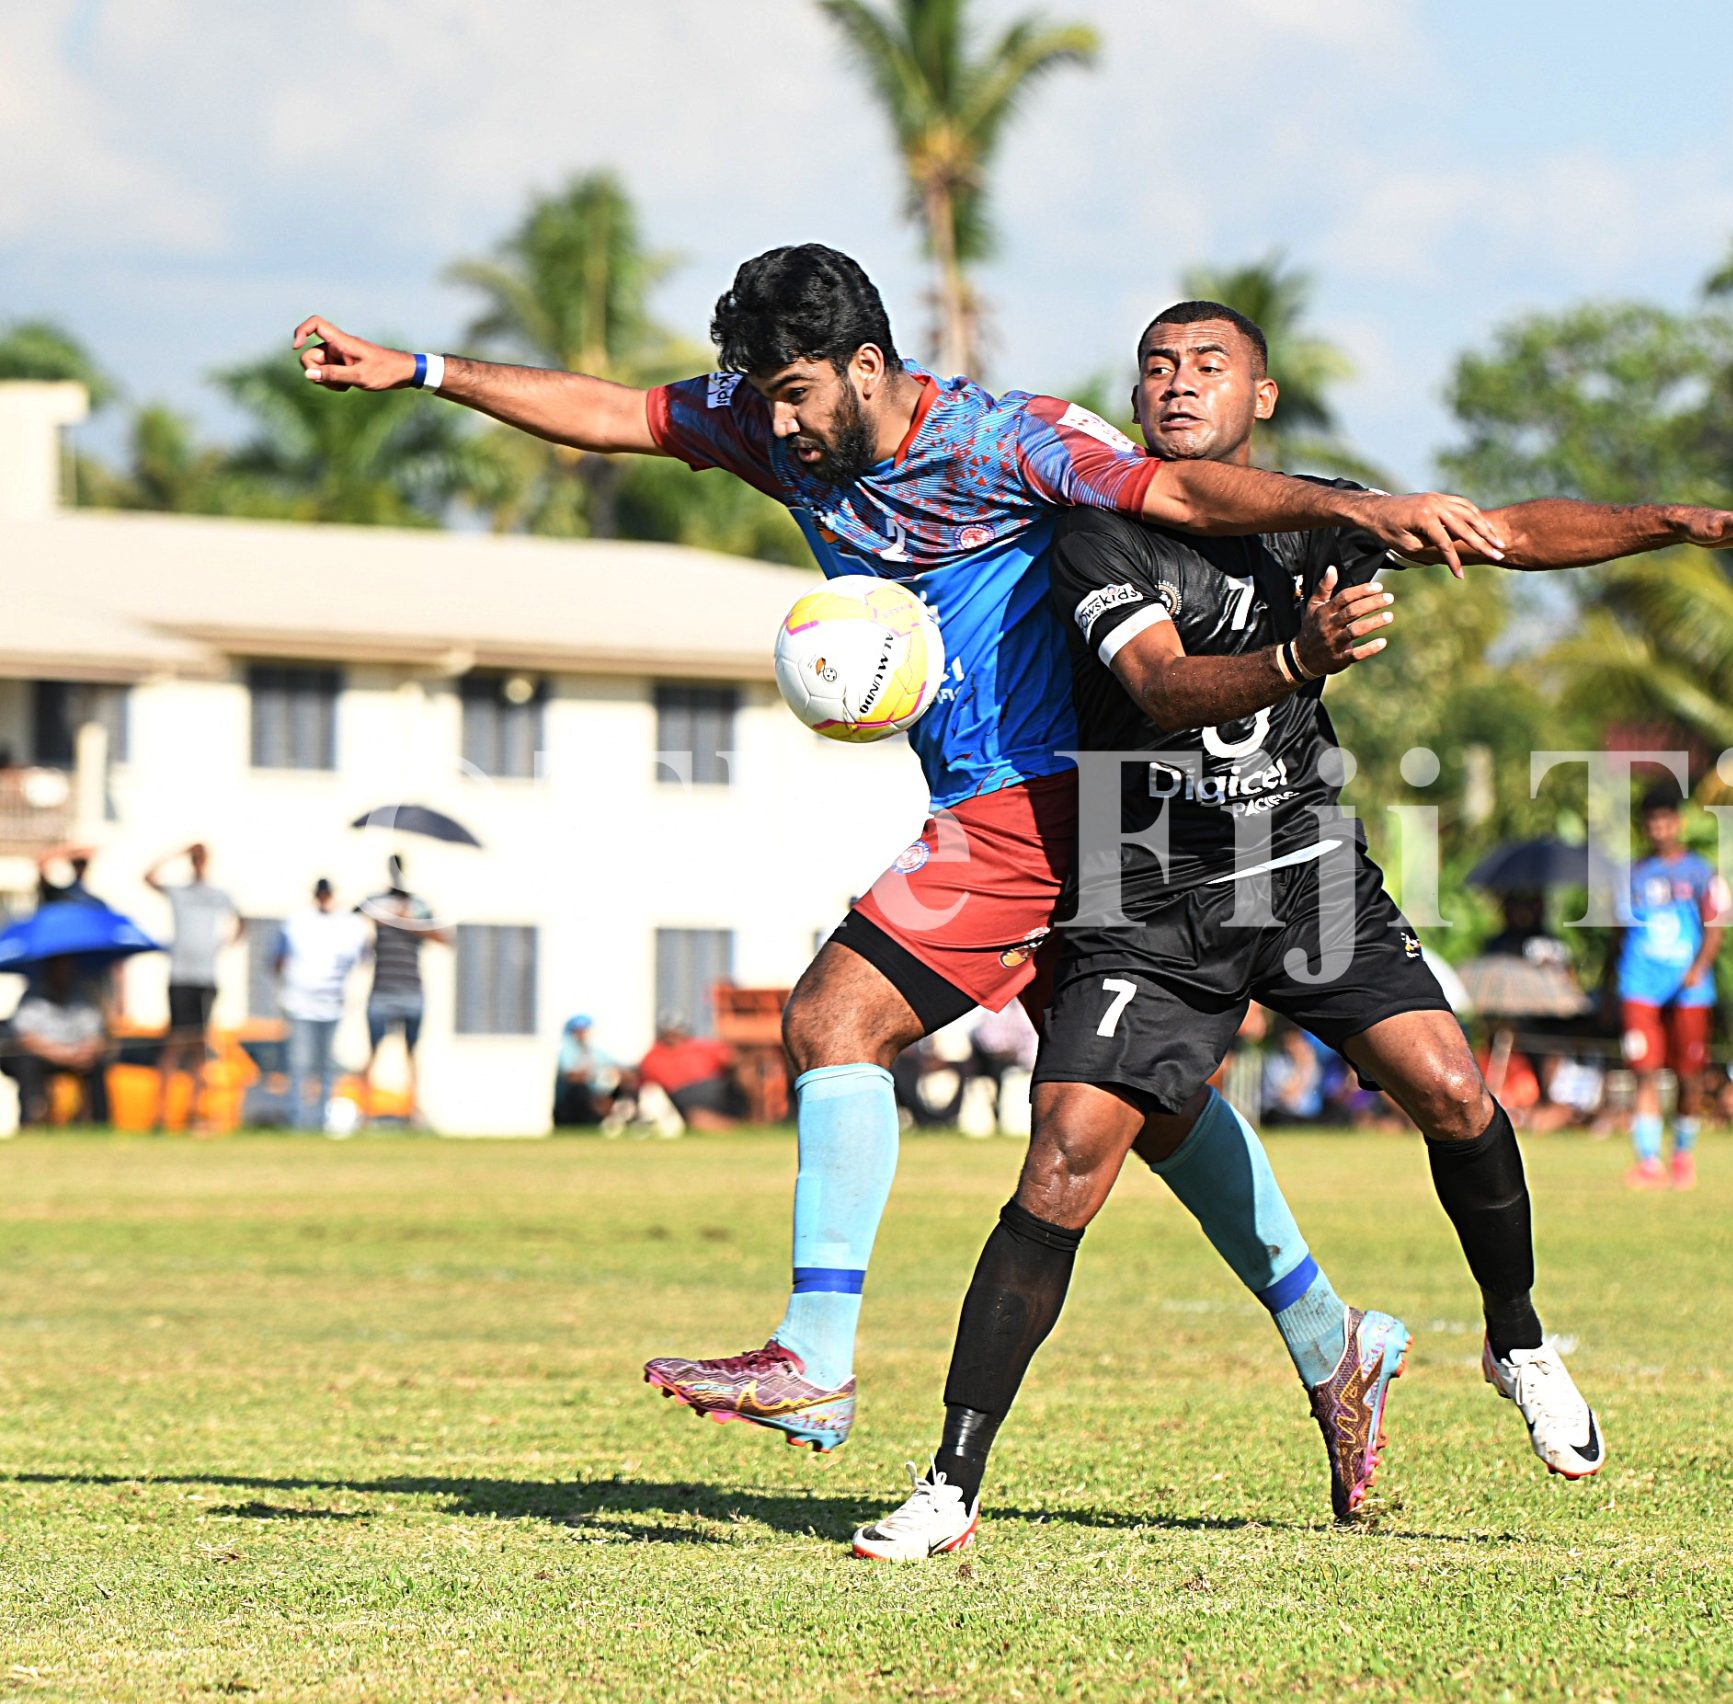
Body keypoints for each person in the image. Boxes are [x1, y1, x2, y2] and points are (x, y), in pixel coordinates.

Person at [296, 245, 1508, 1450]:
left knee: (834, 1018)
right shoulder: (780, 431)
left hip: (1040, 802)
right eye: (765, 399)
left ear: (866, 367)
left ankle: (814, 1356)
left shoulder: (1007, 442)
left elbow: (1179, 496)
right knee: (1157, 1106)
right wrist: (420, 369)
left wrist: (1355, 511)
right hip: (1017, 805)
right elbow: (617, 414)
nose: (780, 426)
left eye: (797, 395)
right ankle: (1332, 1340)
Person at [848, 298, 1733, 1559]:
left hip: (1302, 873)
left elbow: (1506, 533)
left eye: (1208, 365)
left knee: (1454, 1090)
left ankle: (1518, 1343)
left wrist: (1674, 526)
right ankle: (951, 1484)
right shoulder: (1097, 532)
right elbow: (1159, 685)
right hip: (1144, 896)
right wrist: (1297, 660)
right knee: (1063, 1162)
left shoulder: (1324, 516)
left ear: (1259, 398)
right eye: (1157, 367)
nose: (1177, 383)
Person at [1617, 786, 1731, 1189]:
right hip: (1641, 986)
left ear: (1677, 823)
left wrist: (1697, 969)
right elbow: (1619, 931)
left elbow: (1715, 928)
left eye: (1665, 820)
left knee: (1689, 1076)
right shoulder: (1632, 874)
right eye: (1651, 821)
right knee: (1644, 1072)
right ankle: (1649, 1162)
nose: (1659, 828)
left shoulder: (1701, 873)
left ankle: (1682, 1154)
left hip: (1689, 989)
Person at [145, 842, 240, 1133]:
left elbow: (242, 921)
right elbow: (147, 877)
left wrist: (223, 945)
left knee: (200, 1047)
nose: (198, 862)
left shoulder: (218, 895)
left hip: (205, 978)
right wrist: (176, 852)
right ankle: (160, 1115)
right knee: (174, 1045)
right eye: (194, 858)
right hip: (180, 977)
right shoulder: (180, 892)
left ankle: (195, 1112)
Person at [359, 856, 451, 1125]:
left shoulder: (418, 906)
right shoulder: (376, 902)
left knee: (411, 1053)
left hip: (411, 991)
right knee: (373, 1051)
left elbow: (444, 937)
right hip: (382, 990)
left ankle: (413, 1112)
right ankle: (365, 1113)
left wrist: (408, 921)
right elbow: (352, 915)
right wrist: (384, 917)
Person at [273, 878, 371, 1133]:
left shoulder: (347, 925)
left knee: (327, 1064)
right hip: (300, 1004)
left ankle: (323, 1120)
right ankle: (298, 1121)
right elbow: (277, 959)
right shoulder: (298, 921)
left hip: (332, 1004)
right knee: (300, 1063)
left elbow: (364, 955)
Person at [4, 958, 109, 1127]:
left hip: (79, 1056)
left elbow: (97, 1034)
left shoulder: (83, 995)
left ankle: (100, 1122)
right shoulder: (32, 997)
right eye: (58, 968)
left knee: (98, 1066)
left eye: (67, 967)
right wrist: (60, 1054)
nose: (63, 973)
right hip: (45, 1056)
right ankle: (30, 1120)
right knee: (26, 1063)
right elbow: (25, 1037)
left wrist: (86, 1051)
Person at [636, 1013, 744, 1133]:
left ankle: (754, 1119)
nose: (673, 1034)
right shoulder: (654, 1055)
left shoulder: (702, 1046)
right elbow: (648, 1086)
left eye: (676, 1029)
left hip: (719, 1088)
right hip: (682, 1096)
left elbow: (733, 1060)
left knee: (747, 1075)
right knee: (698, 1115)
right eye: (669, 1031)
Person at [554, 1014, 634, 1133]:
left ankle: (624, 1120)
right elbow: (571, 1076)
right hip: (573, 1100)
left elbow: (616, 1066)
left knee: (625, 1085)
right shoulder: (566, 1050)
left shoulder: (594, 1051)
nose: (582, 1033)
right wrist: (594, 1076)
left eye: (585, 1030)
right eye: (579, 1030)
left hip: (598, 1093)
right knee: (581, 1090)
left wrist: (619, 1075)